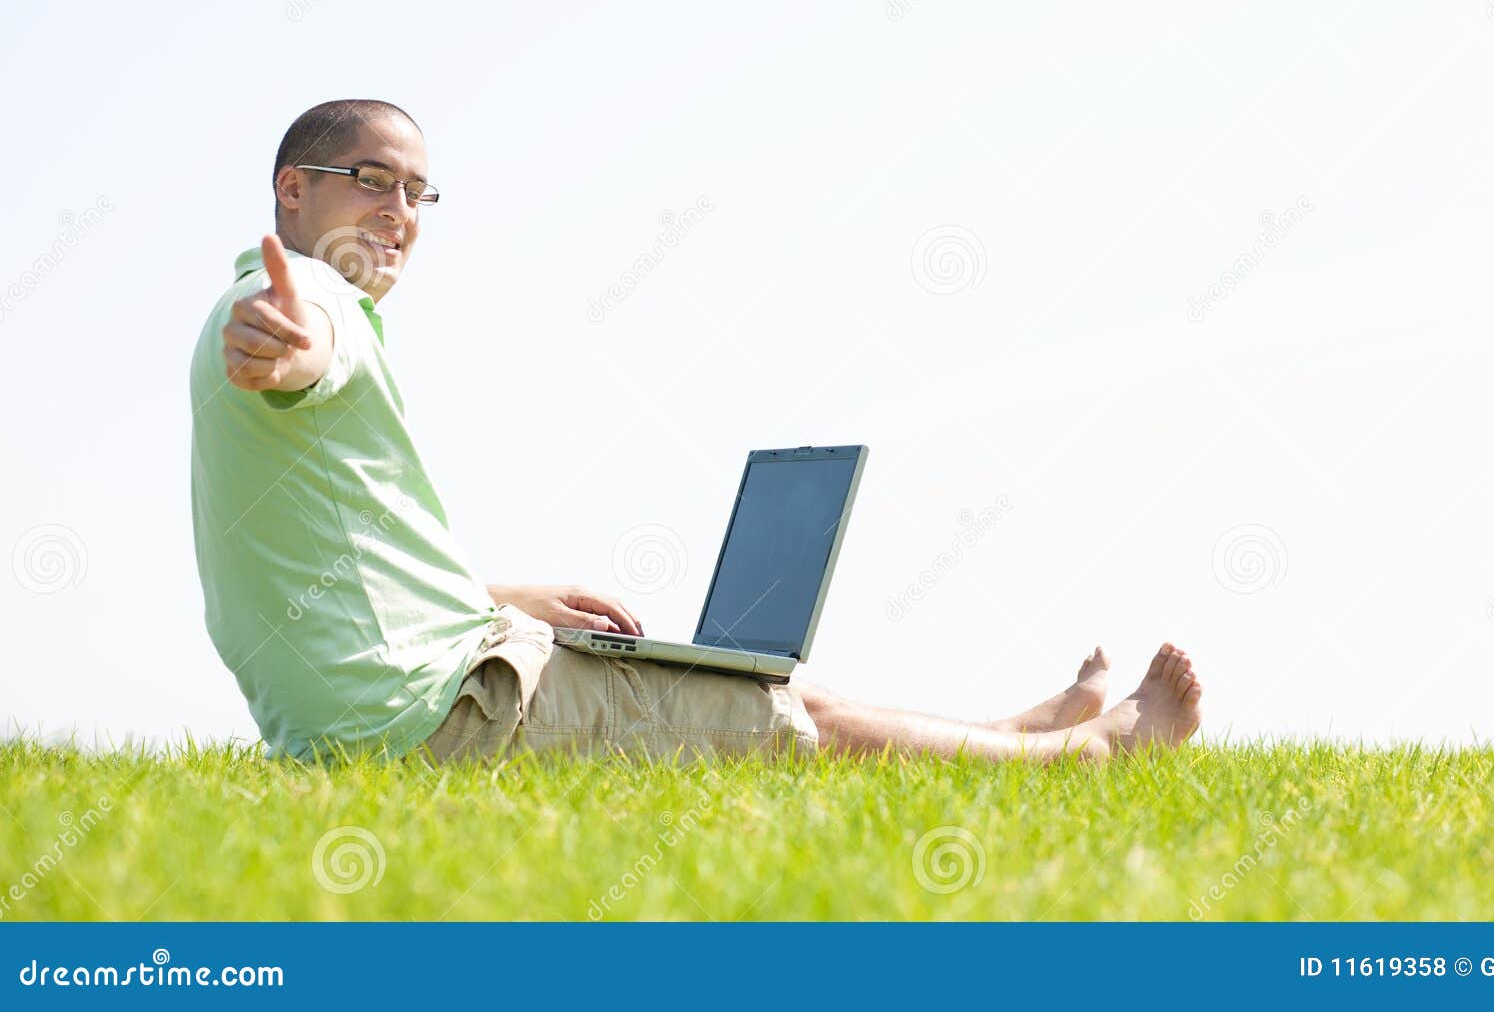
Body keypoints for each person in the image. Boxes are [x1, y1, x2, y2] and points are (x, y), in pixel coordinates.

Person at [189, 99, 1203, 767]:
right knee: (770, 715)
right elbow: (293, 346)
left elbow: (332, 555)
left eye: (418, 191)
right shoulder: (304, 299)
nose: (402, 211)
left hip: (368, 715)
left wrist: (497, 597)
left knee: (743, 677)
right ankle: (1084, 757)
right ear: (295, 189)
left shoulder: (295, 309)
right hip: (425, 723)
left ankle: (998, 732)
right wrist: (278, 349)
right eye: (372, 179)